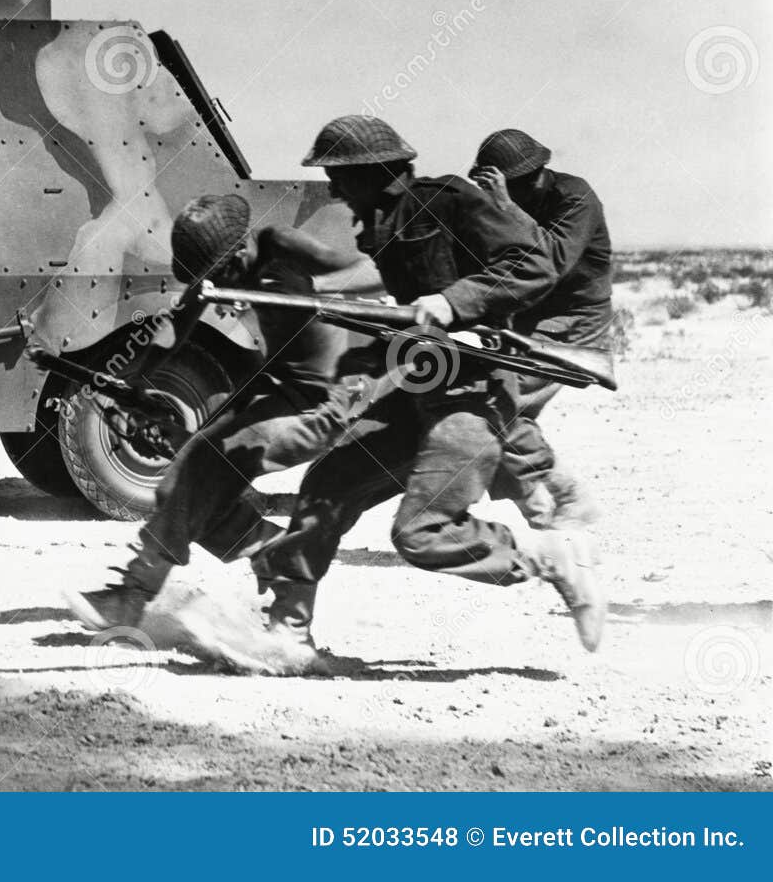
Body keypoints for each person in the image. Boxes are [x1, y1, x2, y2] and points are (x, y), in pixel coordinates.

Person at [232, 116, 605, 673]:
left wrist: (457, 303)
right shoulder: (380, 225)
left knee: (421, 533)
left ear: (368, 171)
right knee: (325, 489)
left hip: (470, 398)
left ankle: (545, 559)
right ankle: (289, 630)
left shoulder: (449, 198)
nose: (332, 189)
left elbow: (533, 262)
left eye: (337, 175)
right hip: (416, 390)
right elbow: (391, 300)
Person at [64, 193, 403, 643]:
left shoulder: (280, 245)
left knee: (196, 469)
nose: (217, 287)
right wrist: (139, 383)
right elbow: (179, 323)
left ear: (241, 249)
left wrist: (325, 295)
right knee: (180, 485)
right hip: (279, 392)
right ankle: (270, 562)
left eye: (219, 274)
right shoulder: (224, 274)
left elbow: (362, 271)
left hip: (324, 404)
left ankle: (135, 596)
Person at [472, 129, 611, 530]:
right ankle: (542, 512)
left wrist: (503, 205)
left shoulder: (574, 197)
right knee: (488, 404)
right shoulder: (505, 200)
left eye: (529, 179)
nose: (528, 187)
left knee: (500, 403)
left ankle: (566, 498)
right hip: (526, 318)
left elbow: (553, 262)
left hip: (574, 320)